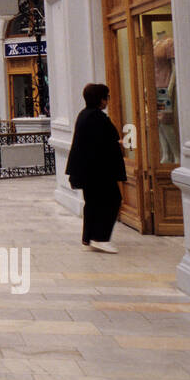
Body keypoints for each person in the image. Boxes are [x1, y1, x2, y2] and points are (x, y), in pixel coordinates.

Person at [64, 82, 127, 253]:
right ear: (100, 99)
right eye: (106, 97)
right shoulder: (96, 117)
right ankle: (100, 237)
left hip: (88, 171)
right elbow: (102, 144)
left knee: (92, 203)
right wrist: (119, 144)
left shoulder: (84, 115)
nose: (107, 100)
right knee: (111, 201)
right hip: (98, 172)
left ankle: (90, 237)